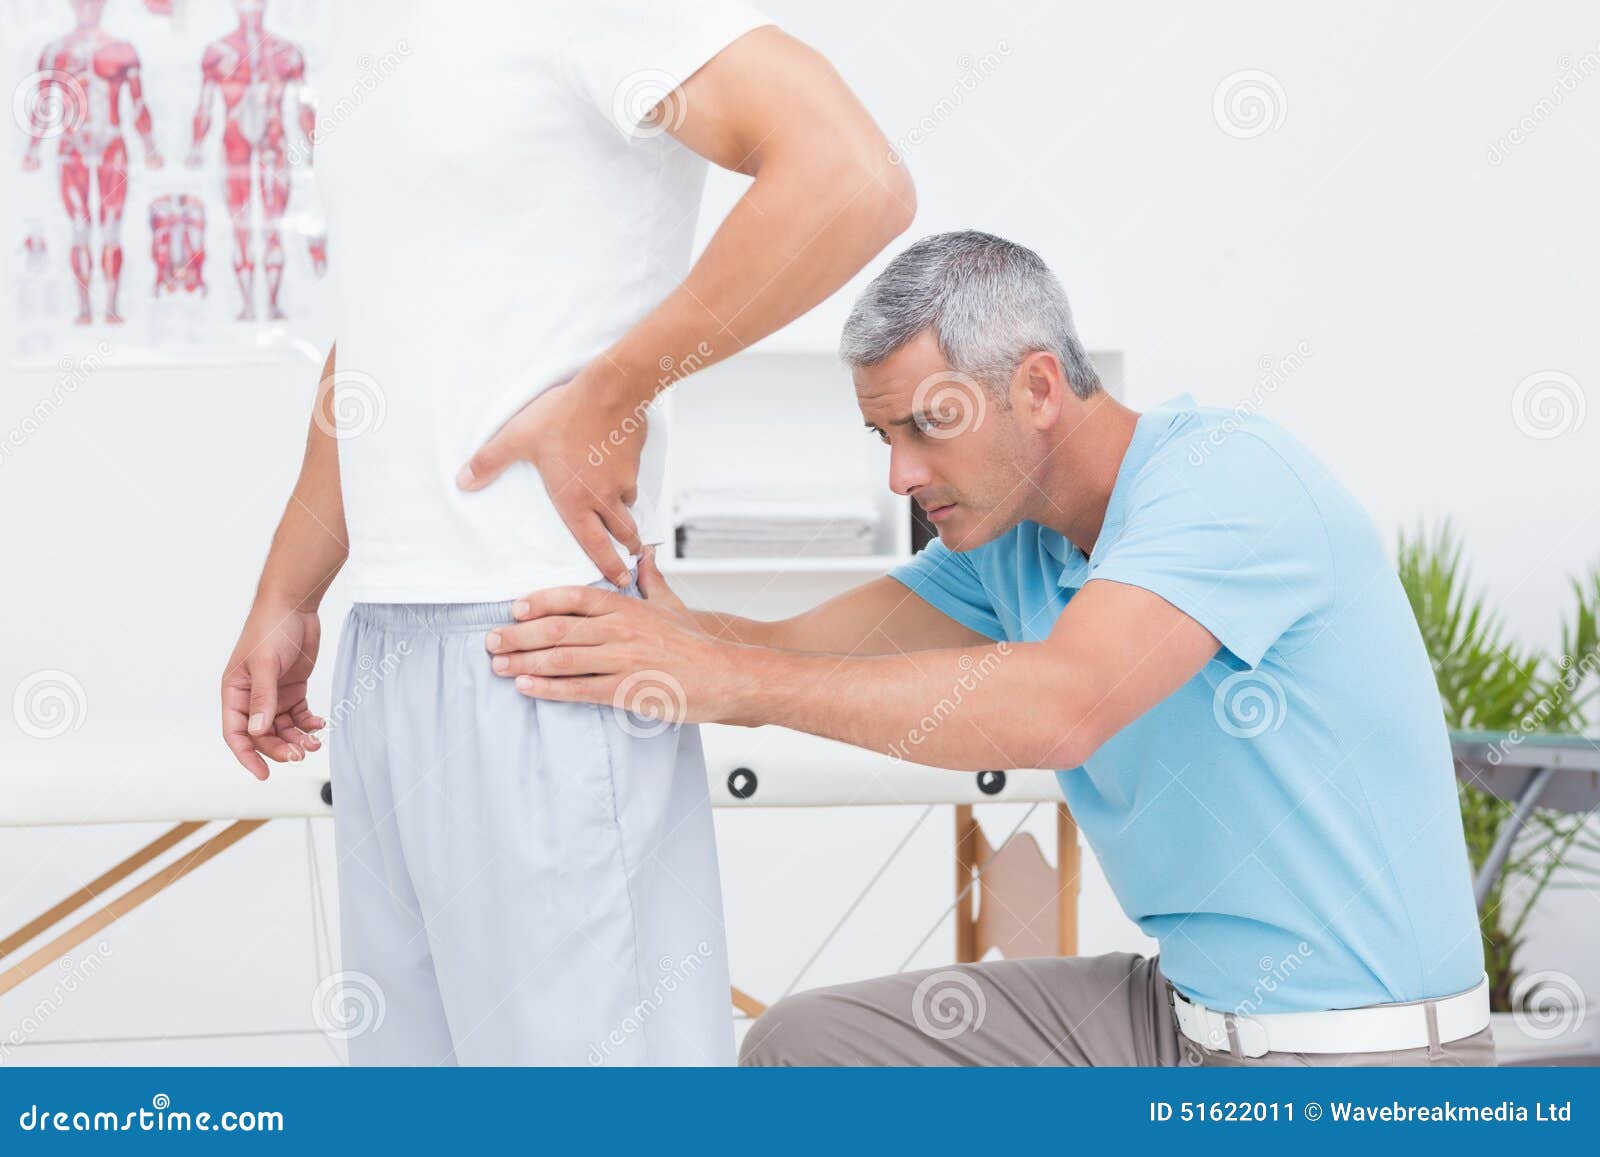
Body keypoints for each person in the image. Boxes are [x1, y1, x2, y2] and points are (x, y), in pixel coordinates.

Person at [490, 231, 1494, 1067]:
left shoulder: (1224, 479)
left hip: (1360, 1057)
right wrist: (657, 629)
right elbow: (797, 653)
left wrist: (739, 675)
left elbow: (1065, 701)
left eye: (927, 426)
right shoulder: (1009, 544)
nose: (898, 473)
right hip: (1174, 1019)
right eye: (881, 434)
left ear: (1039, 385)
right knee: (806, 1050)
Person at [219, 1, 914, 1066]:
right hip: (388, 651)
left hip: (542, 640)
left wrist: (613, 391)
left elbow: (851, 178)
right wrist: (288, 590)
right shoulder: (364, 39)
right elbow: (381, 338)